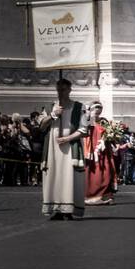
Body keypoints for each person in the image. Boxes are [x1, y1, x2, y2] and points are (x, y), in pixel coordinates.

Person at [38, 78, 88, 219]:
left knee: (69, 177)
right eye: (58, 90)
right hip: (52, 149)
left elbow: (83, 130)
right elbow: (41, 127)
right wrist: (53, 115)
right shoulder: (50, 107)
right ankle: (57, 209)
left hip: (70, 148)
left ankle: (68, 209)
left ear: (70, 90)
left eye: (64, 90)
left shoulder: (79, 107)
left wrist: (67, 138)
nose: (61, 92)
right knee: (54, 176)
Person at [83, 101, 117, 205]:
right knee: (92, 173)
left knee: (106, 172)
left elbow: (110, 135)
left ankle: (105, 195)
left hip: (104, 151)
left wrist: (109, 138)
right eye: (96, 112)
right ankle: (90, 196)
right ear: (91, 111)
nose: (97, 115)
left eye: (99, 113)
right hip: (91, 151)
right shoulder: (86, 121)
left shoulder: (104, 122)